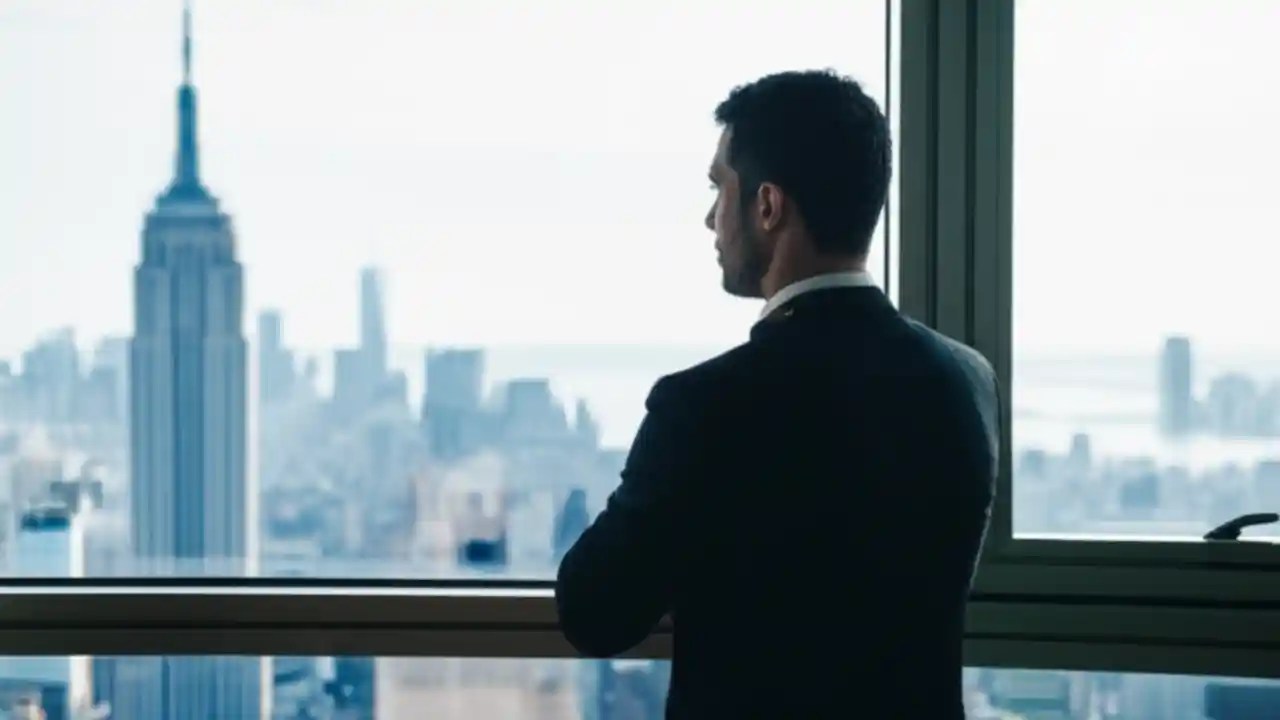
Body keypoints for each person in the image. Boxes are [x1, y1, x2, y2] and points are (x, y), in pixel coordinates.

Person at [556, 69, 999, 719]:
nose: (710, 218)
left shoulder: (706, 406)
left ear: (767, 206)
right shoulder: (968, 381)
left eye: (719, 188)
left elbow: (594, 612)